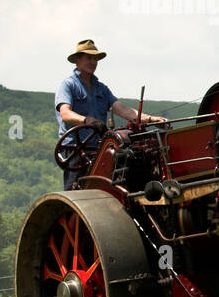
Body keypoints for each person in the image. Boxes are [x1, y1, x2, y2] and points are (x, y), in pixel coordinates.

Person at [55, 39, 165, 188]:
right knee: (76, 191)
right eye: (89, 58)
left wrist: (151, 119)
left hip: (99, 149)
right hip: (76, 149)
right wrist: (88, 121)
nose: (93, 62)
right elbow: (65, 114)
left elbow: (124, 110)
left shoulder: (101, 88)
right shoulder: (68, 85)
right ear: (77, 60)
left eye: (95, 59)